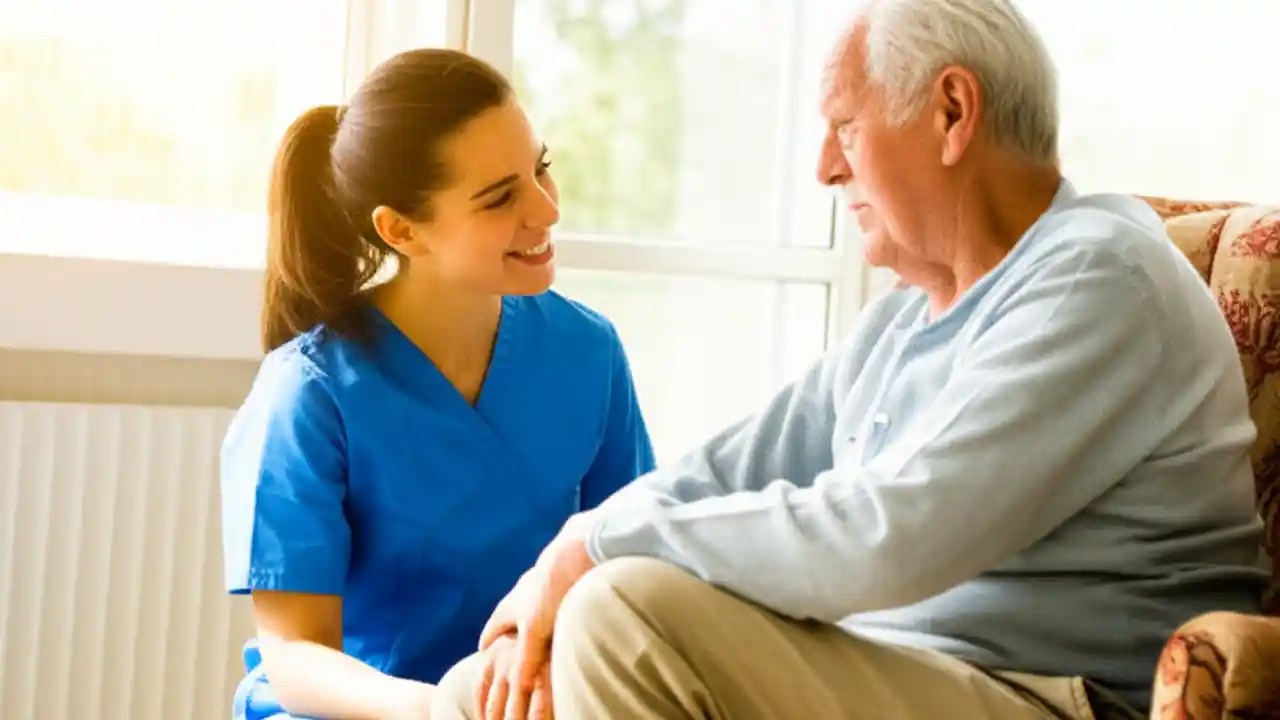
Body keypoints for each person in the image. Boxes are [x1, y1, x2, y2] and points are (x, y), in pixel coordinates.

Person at [432, 1, 1271, 718]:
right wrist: (562, 561)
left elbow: (890, 533)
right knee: (494, 686)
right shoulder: (908, 315)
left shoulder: (1099, 277)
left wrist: (596, 551)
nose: (825, 167)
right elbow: (728, 469)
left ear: (951, 113)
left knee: (620, 615)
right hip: (907, 670)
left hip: (1051, 693)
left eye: (845, 127)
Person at [218, 48, 655, 720]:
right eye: (500, 197)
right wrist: (439, 711)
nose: (544, 209)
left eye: (540, 169)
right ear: (401, 229)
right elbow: (294, 654)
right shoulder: (310, 392)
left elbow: (626, 560)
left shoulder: (587, 352)